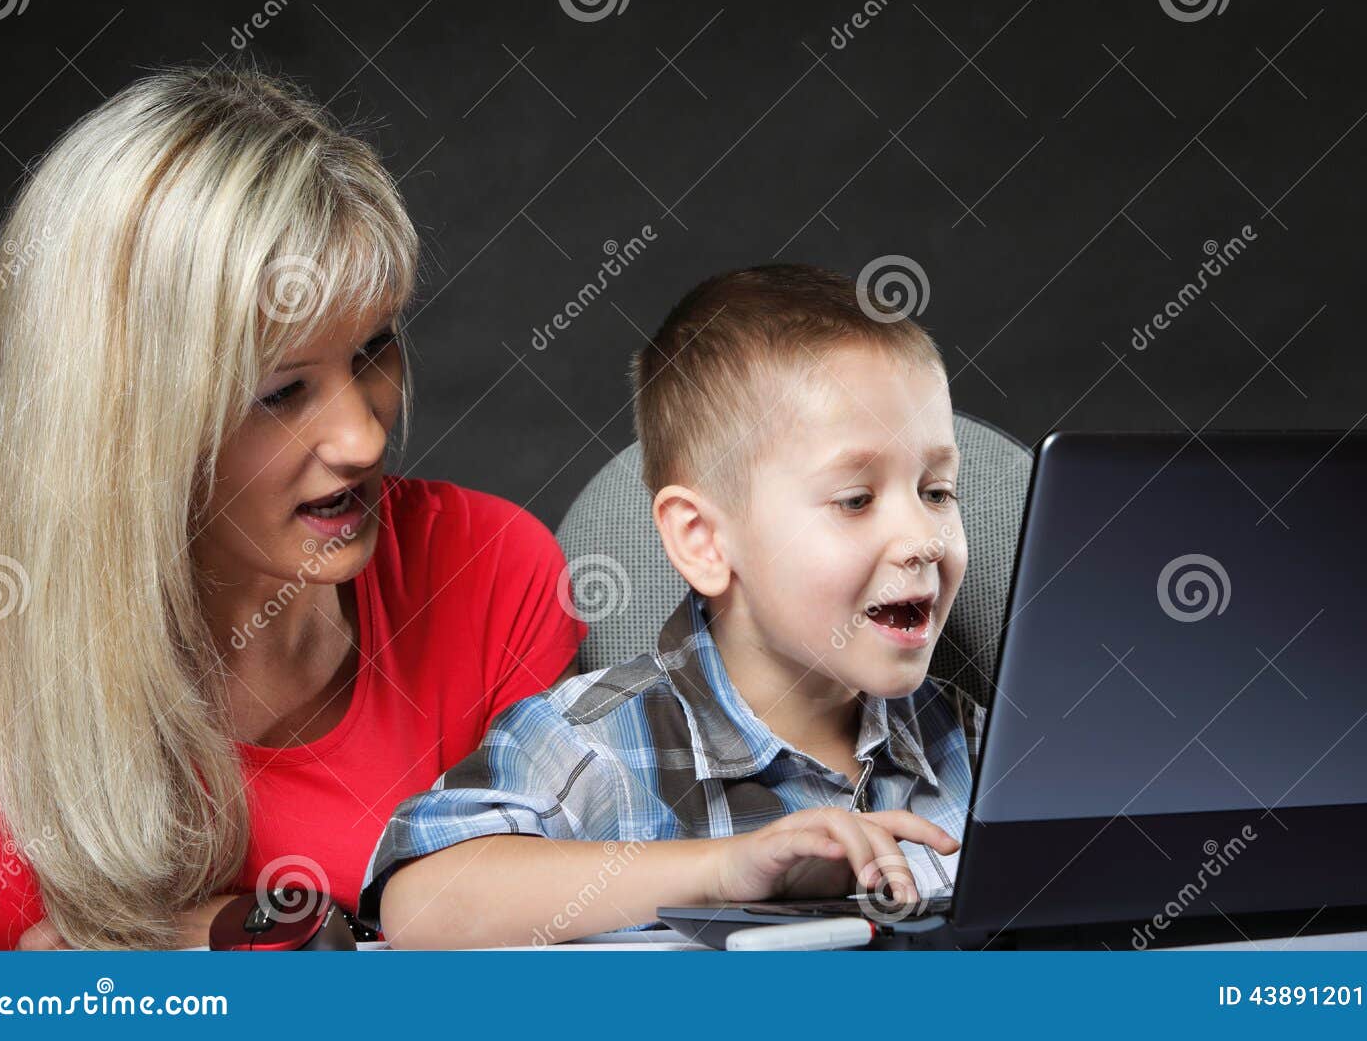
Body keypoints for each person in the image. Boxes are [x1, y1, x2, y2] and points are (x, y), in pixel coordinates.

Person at [0, 68, 584, 950]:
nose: (361, 438)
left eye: (373, 351)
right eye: (282, 392)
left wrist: (176, 940)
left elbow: (551, 962)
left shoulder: (493, 575)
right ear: (118, 413)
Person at [360, 264, 982, 948]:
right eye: (856, 500)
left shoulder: (982, 746)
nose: (924, 538)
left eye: (937, 491)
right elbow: (421, 903)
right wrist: (723, 869)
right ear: (705, 540)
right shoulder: (596, 741)